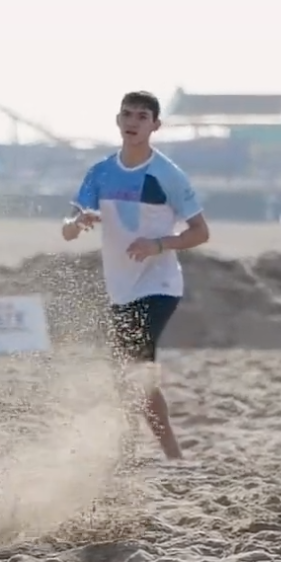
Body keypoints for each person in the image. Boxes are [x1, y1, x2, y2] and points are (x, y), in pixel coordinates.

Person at [61, 90, 211, 460]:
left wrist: (158, 244)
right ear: (117, 120)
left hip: (159, 285)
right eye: (127, 114)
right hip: (121, 287)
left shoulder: (167, 175)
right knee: (128, 372)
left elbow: (200, 232)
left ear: (155, 125)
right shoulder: (100, 173)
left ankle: (144, 451)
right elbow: (66, 230)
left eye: (142, 116)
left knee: (135, 369)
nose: (133, 121)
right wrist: (78, 222)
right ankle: (162, 454)